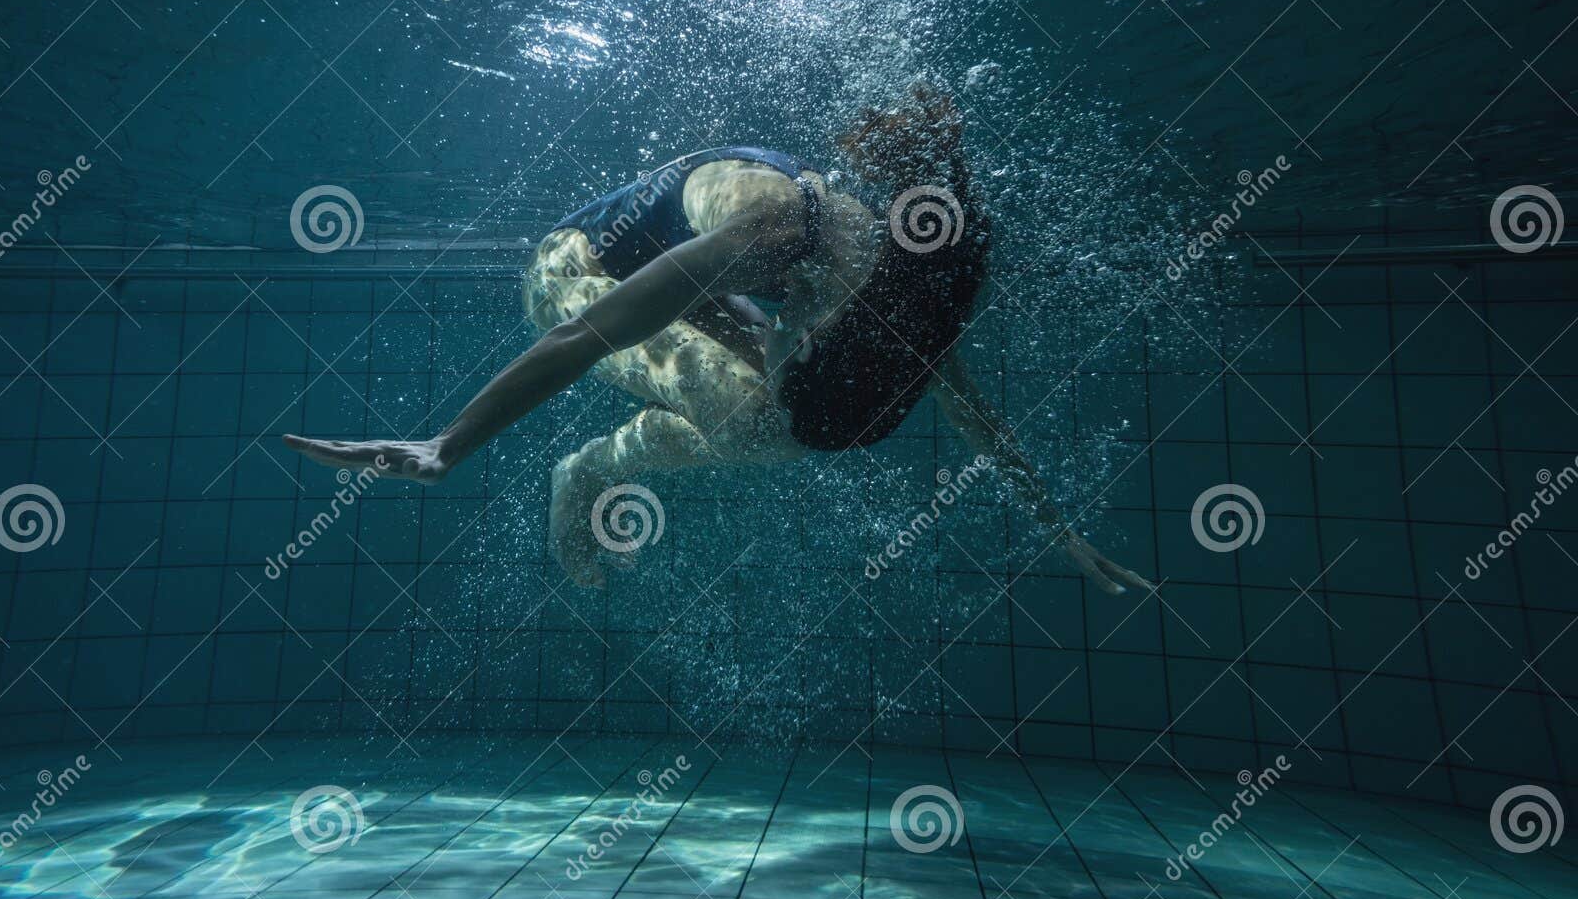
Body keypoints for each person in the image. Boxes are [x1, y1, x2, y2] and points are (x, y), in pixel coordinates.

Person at [284, 85, 1152, 595]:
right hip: (573, 266)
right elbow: (590, 333)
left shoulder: (897, 306)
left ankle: (605, 458)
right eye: (784, 360)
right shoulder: (770, 233)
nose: (771, 358)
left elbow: (978, 419)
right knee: (760, 425)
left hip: (693, 274)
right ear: (807, 337)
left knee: (772, 418)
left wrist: (1058, 533)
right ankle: (586, 470)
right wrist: (447, 445)